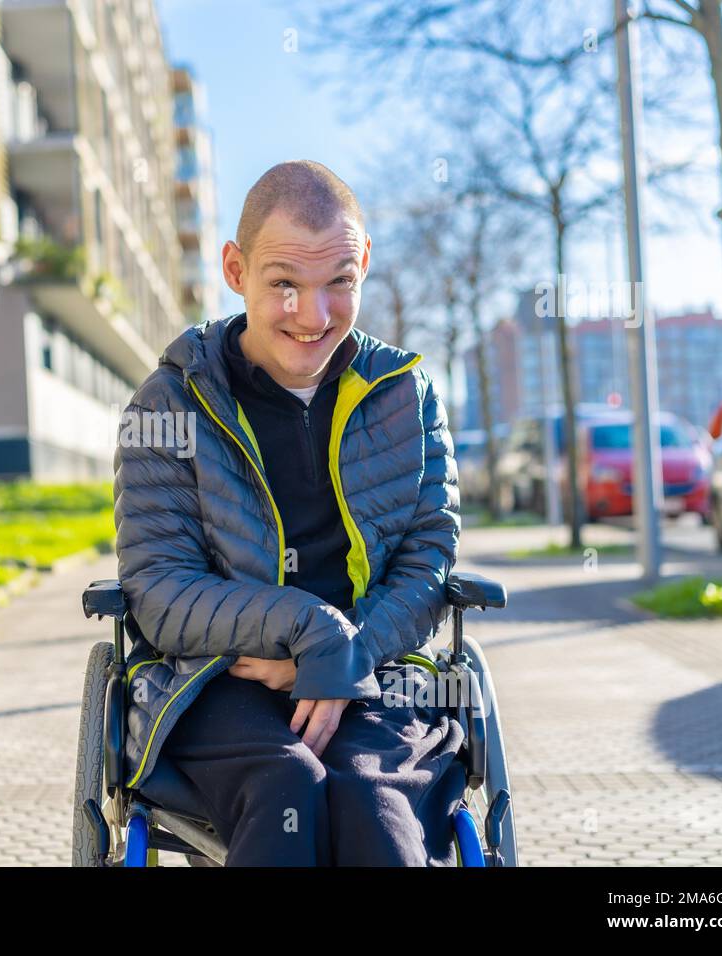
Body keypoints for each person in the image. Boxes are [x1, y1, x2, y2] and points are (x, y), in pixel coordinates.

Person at [112, 159, 464, 866]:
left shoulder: (406, 393)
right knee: (286, 785)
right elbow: (158, 589)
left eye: (340, 281)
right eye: (284, 285)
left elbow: (430, 556)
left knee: (373, 804)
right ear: (235, 270)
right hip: (216, 681)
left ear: (363, 261)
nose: (314, 315)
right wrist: (307, 632)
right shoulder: (169, 404)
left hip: (379, 669)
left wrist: (347, 655)